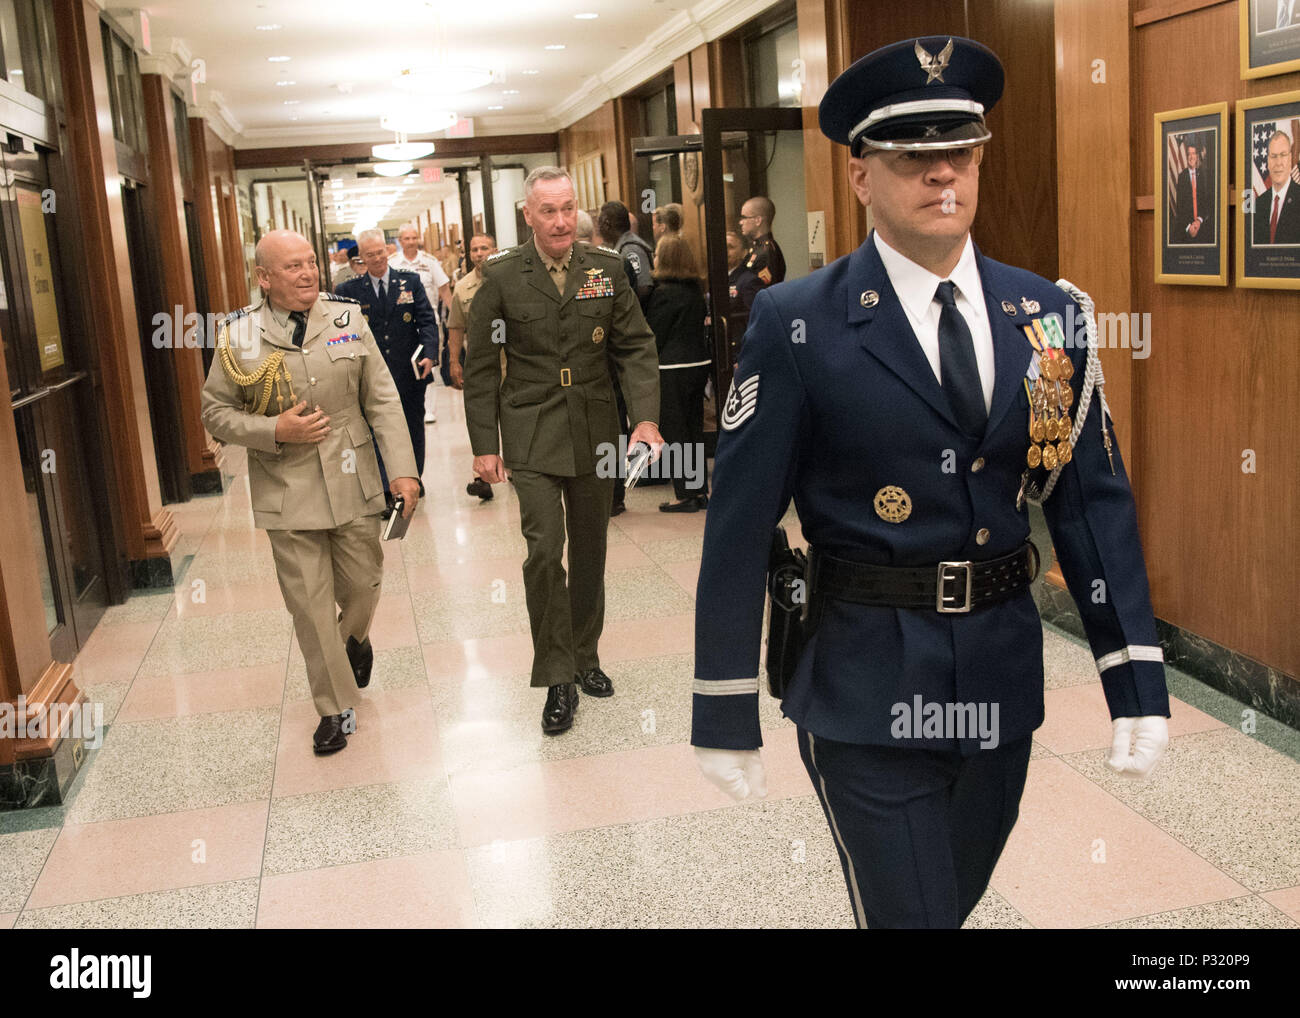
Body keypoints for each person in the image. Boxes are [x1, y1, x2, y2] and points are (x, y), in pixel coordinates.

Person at [691, 36, 1171, 929]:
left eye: (960, 151)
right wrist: (721, 704)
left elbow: (1088, 501)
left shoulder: (1048, 315)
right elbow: (740, 517)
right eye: (913, 157)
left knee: (945, 902)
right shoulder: (800, 323)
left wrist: (1133, 675)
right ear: (862, 175)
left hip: (998, 678)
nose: (943, 175)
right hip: (861, 683)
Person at [200, 230, 419, 754]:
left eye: (310, 264)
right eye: (292, 267)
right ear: (263, 278)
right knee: (311, 606)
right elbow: (215, 412)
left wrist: (405, 471)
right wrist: (274, 430)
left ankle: (355, 640)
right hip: (286, 486)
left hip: (353, 472)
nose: (306, 274)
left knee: (363, 584)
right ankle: (333, 708)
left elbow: (383, 399)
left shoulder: (347, 318)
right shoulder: (238, 336)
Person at [464, 166, 662, 735]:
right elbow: (479, 369)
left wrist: (645, 419)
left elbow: (635, 346)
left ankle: (586, 655)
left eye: (567, 209)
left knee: (593, 548)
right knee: (545, 550)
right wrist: (484, 446)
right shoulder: (500, 277)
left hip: (596, 428)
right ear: (527, 215)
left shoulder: (605, 270)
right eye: (547, 211)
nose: (559, 221)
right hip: (528, 429)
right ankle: (556, 675)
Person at [336, 228, 438, 495]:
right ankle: (385, 486)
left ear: (388, 250)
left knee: (413, 425)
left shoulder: (410, 282)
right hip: (372, 375)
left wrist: (430, 352)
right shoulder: (349, 290)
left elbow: (427, 320)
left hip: (409, 372)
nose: (378, 258)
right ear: (362, 257)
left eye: (381, 252)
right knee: (376, 429)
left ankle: (413, 479)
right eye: (371, 254)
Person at [644, 234, 710, 512]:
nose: (654, 258)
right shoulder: (696, 289)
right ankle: (698, 489)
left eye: (658, 253)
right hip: (698, 364)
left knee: (674, 431)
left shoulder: (662, 294)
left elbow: (654, 334)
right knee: (694, 428)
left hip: (671, 367)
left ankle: (684, 495)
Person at [445, 232, 500, 501]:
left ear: (495, 250)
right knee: (480, 418)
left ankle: (516, 468)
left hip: (510, 362)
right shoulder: (463, 287)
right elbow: (455, 327)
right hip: (479, 364)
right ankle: (482, 476)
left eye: (484, 248)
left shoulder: (509, 281)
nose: (479, 253)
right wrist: (454, 361)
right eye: (474, 249)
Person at [391, 222, 453, 424]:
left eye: (413, 238)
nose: (410, 242)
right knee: (406, 364)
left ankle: (428, 409)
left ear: (418, 239)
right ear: (400, 241)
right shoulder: (393, 263)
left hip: (429, 322)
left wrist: (454, 317)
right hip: (403, 325)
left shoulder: (430, 262)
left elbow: (444, 290)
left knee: (431, 362)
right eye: (406, 239)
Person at [598, 200, 655, 302]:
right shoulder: (623, 247)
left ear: (607, 224)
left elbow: (644, 288)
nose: (599, 229)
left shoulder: (631, 250)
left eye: (599, 224)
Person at [1253, 130, 1300, 245]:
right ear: (1268, 161)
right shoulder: (1258, 204)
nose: (1278, 163)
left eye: (1283, 155)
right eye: (1273, 156)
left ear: (1290, 159)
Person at [1171, 139, 1213, 244]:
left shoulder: (1203, 176)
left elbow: (1207, 202)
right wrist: (1189, 226)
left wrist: (1199, 221)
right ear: (1186, 157)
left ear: (1197, 156)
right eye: (1189, 154)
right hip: (1186, 229)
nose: (1191, 156)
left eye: (1193, 153)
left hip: (1202, 227)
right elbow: (1180, 206)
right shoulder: (1182, 177)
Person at [739, 195, 786, 286]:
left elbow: (759, 289)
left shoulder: (766, 252)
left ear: (758, 220)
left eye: (744, 217)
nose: (740, 222)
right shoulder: (757, 248)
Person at [726, 231, 762, 313]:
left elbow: (751, 317)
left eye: (730, 247)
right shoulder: (717, 278)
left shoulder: (749, 281)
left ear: (743, 253)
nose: (725, 251)